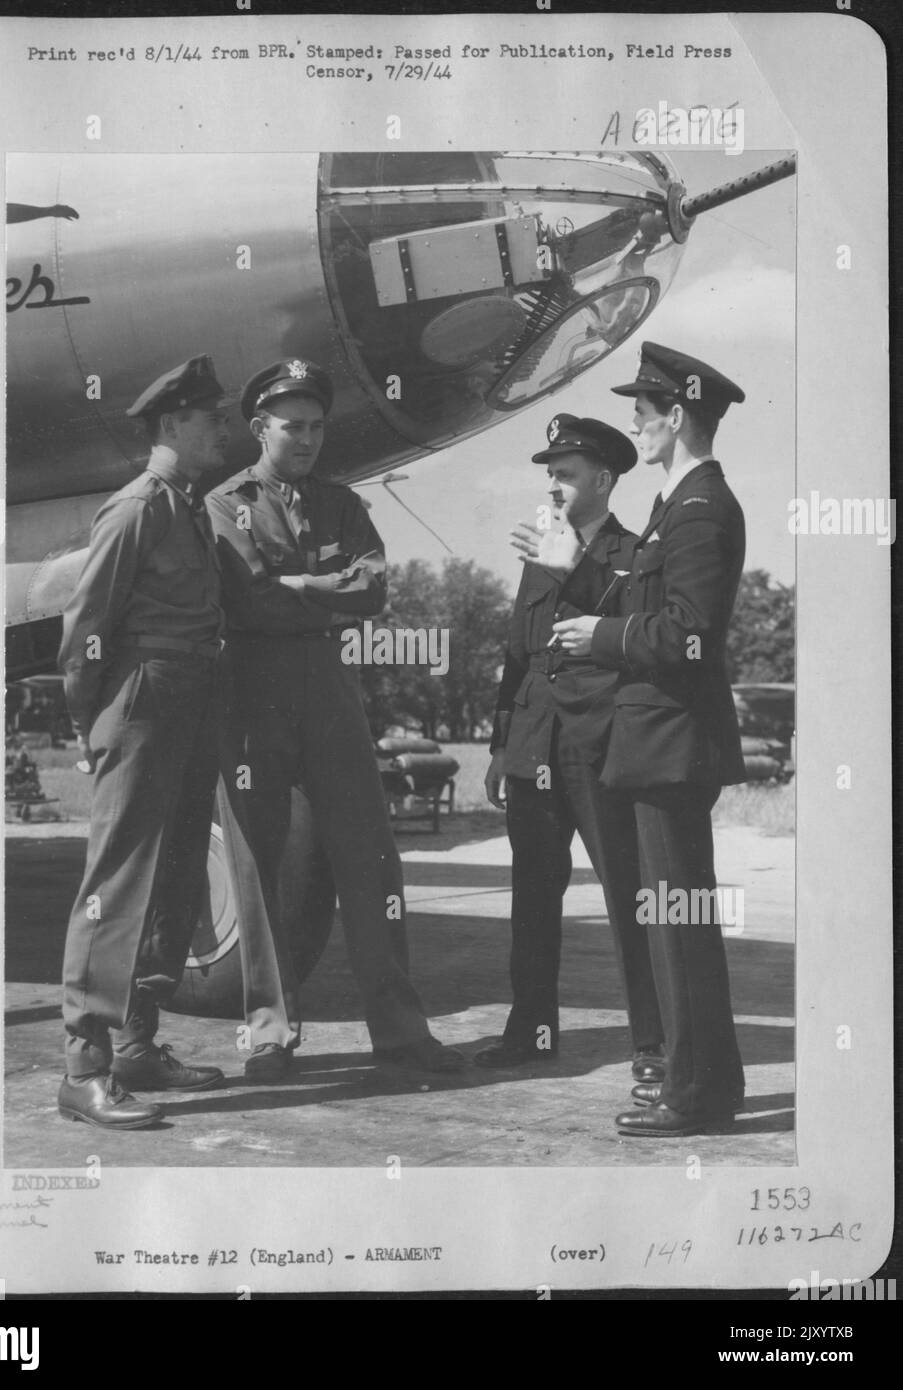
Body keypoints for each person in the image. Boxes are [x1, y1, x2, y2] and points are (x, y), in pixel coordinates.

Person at [205, 358, 465, 1080]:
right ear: (260, 427)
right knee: (257, 863)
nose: (309, 438)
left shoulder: (343, 504)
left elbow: (374, 587)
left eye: (318, 426)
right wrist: (324, 587)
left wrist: (296, 583)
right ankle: (269, 1034)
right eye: (294, 426)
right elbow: (248, 598)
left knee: (370, 856)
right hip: (251, 687)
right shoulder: (225, 504)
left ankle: (401, 1032)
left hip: (327, 685)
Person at [553, 342, 748, 1137]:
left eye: (643, 408)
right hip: (655, 744)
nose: (634, 418)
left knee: (679, 928)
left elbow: (690, 634)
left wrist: (602, 636)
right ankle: (694, 1077)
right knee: (671, 923)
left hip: (672, 747)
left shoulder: (701, 506)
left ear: (676, 416)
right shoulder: (679, 503)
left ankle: (696, 1095)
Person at [57, 355, 232, 1129]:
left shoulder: (187, 505)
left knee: (173, 875)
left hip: (188, 696)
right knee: (119, 879)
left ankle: (137, 1045)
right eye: (212, 417)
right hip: (142, 698)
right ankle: (84, 1067)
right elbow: (84, 629)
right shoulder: (135, 510)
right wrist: (93, 723)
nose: (223, 428)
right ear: (173, 425)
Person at [478, 414, 665, 1083]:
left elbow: (633, 642)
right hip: (534, 747)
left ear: (604, 479)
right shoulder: (538, 552)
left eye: (564, 473)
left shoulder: (634, 555)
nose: (551, 485)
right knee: (532, 897)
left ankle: (652, 1044)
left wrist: (574, 566)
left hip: (596, 748)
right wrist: (502, 746)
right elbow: (515, 655)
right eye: (548, 473)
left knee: (625, 896)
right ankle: (529, 1033)